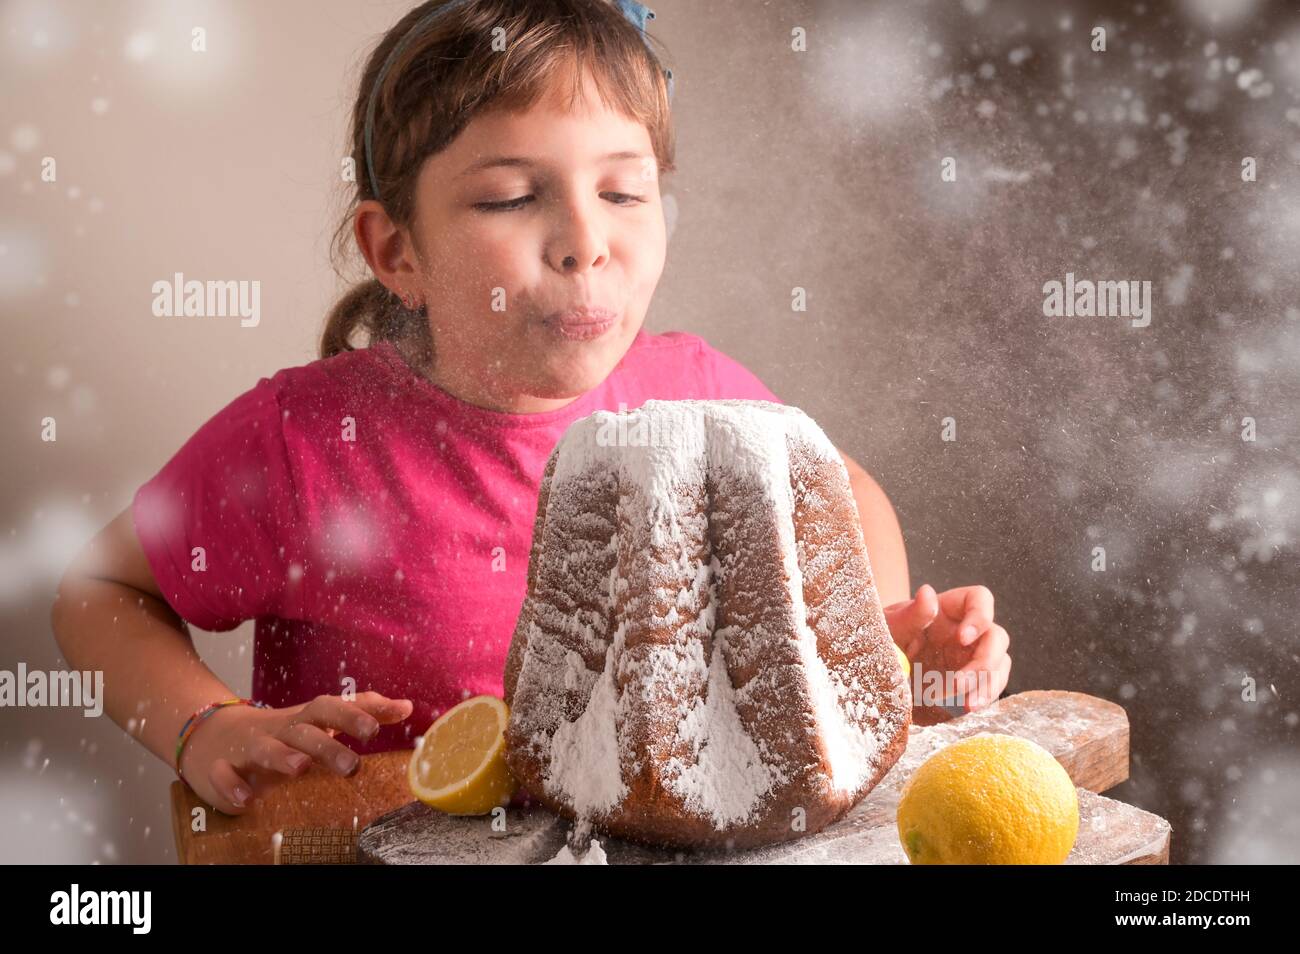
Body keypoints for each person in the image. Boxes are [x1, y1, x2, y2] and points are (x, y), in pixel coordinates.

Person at [51, 0, 1009, 819]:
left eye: (625, 191)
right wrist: (204, 727)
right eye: (512, 198)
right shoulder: (303, 444)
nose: (585, 241)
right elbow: (98, 590)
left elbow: (843, 491)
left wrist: (875, 632)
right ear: (398, 253)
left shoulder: (697, 395)